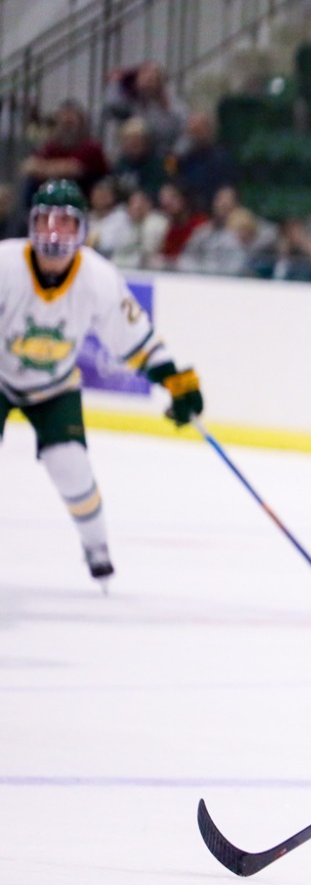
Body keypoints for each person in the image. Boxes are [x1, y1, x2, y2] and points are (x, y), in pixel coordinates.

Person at [0, 181, 204, 583]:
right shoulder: (6, 266)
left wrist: (178, 382)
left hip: (54, 385)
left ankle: (96, 548)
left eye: (64, 223)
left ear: (82, 231)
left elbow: (136, 340)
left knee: (70, 465)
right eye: (44, 221)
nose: (53, 233)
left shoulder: (98, 278)